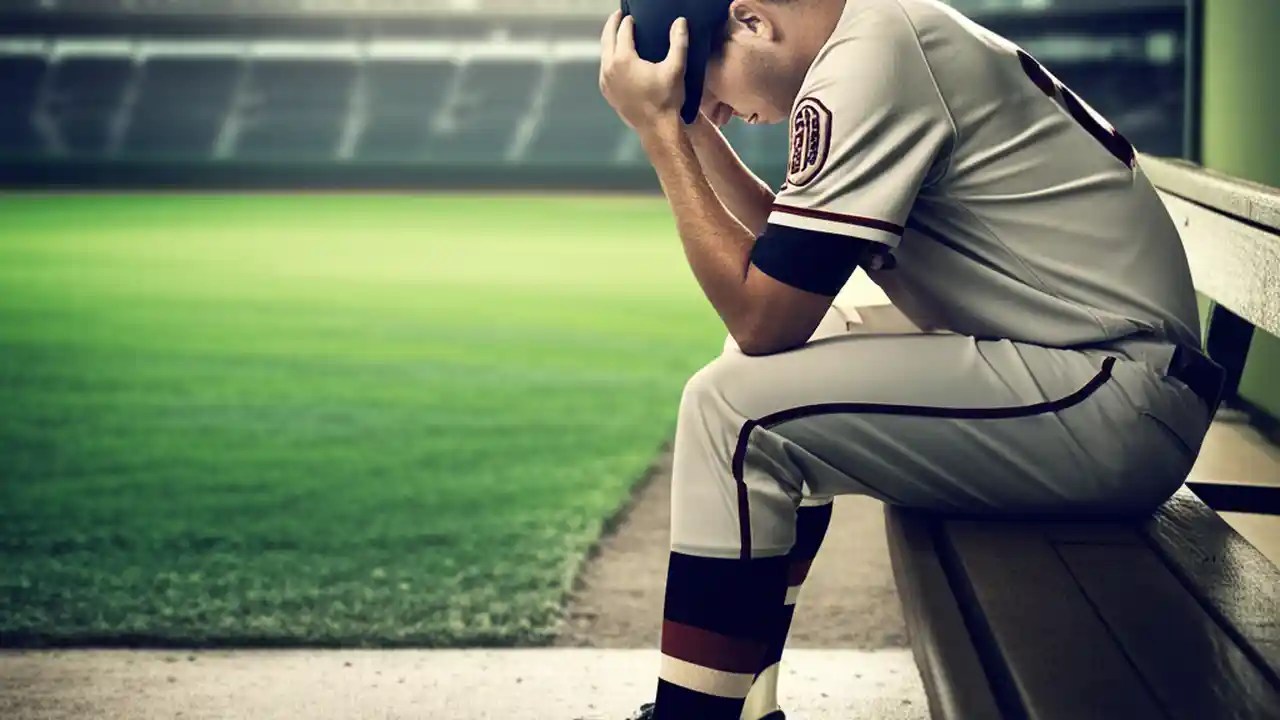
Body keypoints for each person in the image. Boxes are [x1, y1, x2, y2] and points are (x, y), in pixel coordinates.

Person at [596, 1, 1224, 718]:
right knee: (769, 362)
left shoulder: (871, 58)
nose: (723, 114)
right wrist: (686, 126)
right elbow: (786, 256)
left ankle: (695, 718)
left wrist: (658, 134)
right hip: (1092, 371)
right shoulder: (878, 32)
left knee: (730, 409)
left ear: (752, 21)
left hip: (1113, 394)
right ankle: (739, 705)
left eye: (710, 95)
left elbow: (766, 316)